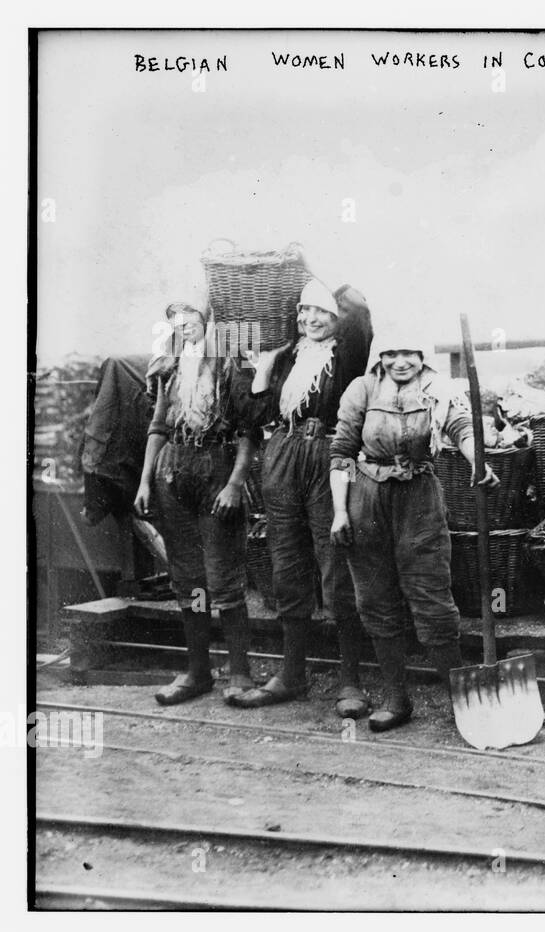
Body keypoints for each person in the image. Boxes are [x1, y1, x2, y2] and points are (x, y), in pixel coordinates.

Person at [328, 343, 497, 731]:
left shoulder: (440, 388)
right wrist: (340, 512)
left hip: (419, 497)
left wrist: (478, 461)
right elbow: (342, 452)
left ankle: (462, 701)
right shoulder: (363, 389)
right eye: (391, 354)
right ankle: (396, 698)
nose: (400, 362)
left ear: (423, 356)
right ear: (380, 357)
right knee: (374, 597)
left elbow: (462, 428)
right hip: (365, 495)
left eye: (409, 354)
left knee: (431, 595)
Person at [229, 279, 370, 711]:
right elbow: (254, 414)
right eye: (304, 311)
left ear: (336, 319)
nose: (311, 320)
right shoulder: (289, 357)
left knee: (336, 561)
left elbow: (358, 314)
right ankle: (292, 675)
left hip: (328, 454)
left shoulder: (347, 355)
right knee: (286, 562)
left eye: (321, 312)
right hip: (282, 455)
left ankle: (350, 680)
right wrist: (265, 371)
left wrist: (327, 284)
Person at [134, 302, 258, 704]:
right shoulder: (169, 368)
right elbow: (158, 427)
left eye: (191, 320)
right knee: (189, 580)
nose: (184, 327)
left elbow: (247, 429)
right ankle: (198, 672)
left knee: (223, 576)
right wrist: (146, 481)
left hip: (216, 470)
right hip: (175, 472)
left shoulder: (227, 365)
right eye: (177, 322)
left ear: (207, 323)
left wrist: (235, 484)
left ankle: (239, 671)